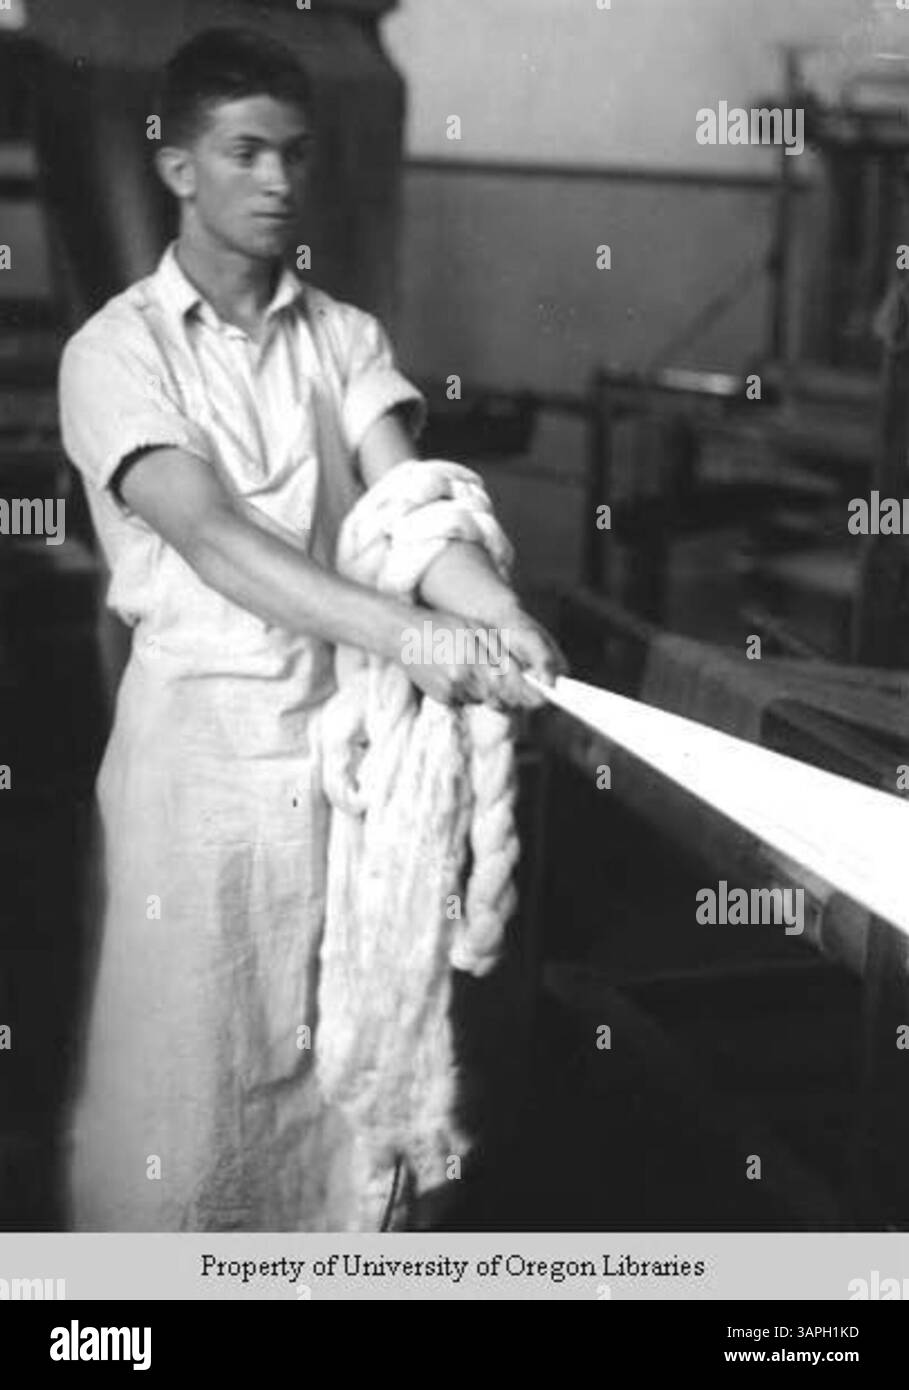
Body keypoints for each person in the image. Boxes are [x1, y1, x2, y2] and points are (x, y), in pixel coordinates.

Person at [58, 26, 565, 1231]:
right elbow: (217, 539)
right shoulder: (115, 352)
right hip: (203, 776)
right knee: (190, 1075)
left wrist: (488, 606)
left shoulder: (344, 338)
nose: (279, 181)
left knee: (347, 1067)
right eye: (245, 153)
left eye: (294, 153)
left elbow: (406, 501)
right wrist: (410, 635)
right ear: (178, 167)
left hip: (348, 775)